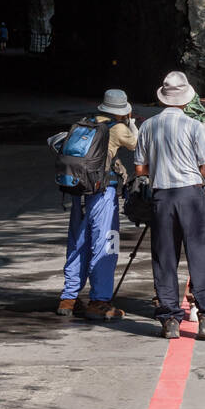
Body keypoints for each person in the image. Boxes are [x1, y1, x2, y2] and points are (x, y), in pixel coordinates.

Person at [134, 71, 205, 341]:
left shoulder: (148, 126)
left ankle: (169, 320)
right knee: (200, 257)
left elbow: (140, 168)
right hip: (191, 194)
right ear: (186, 98)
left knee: (164, 258)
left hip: (162, 197)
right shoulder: (194, 126)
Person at [56, 88, 136, 321]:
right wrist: (130, 121)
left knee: (78, 241)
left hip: (78, 190)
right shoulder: (119, 128)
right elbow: (137, 144)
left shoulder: (87, 123)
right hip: (102, 192)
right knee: (106, 242)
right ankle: (99, 301)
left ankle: (68, 298)